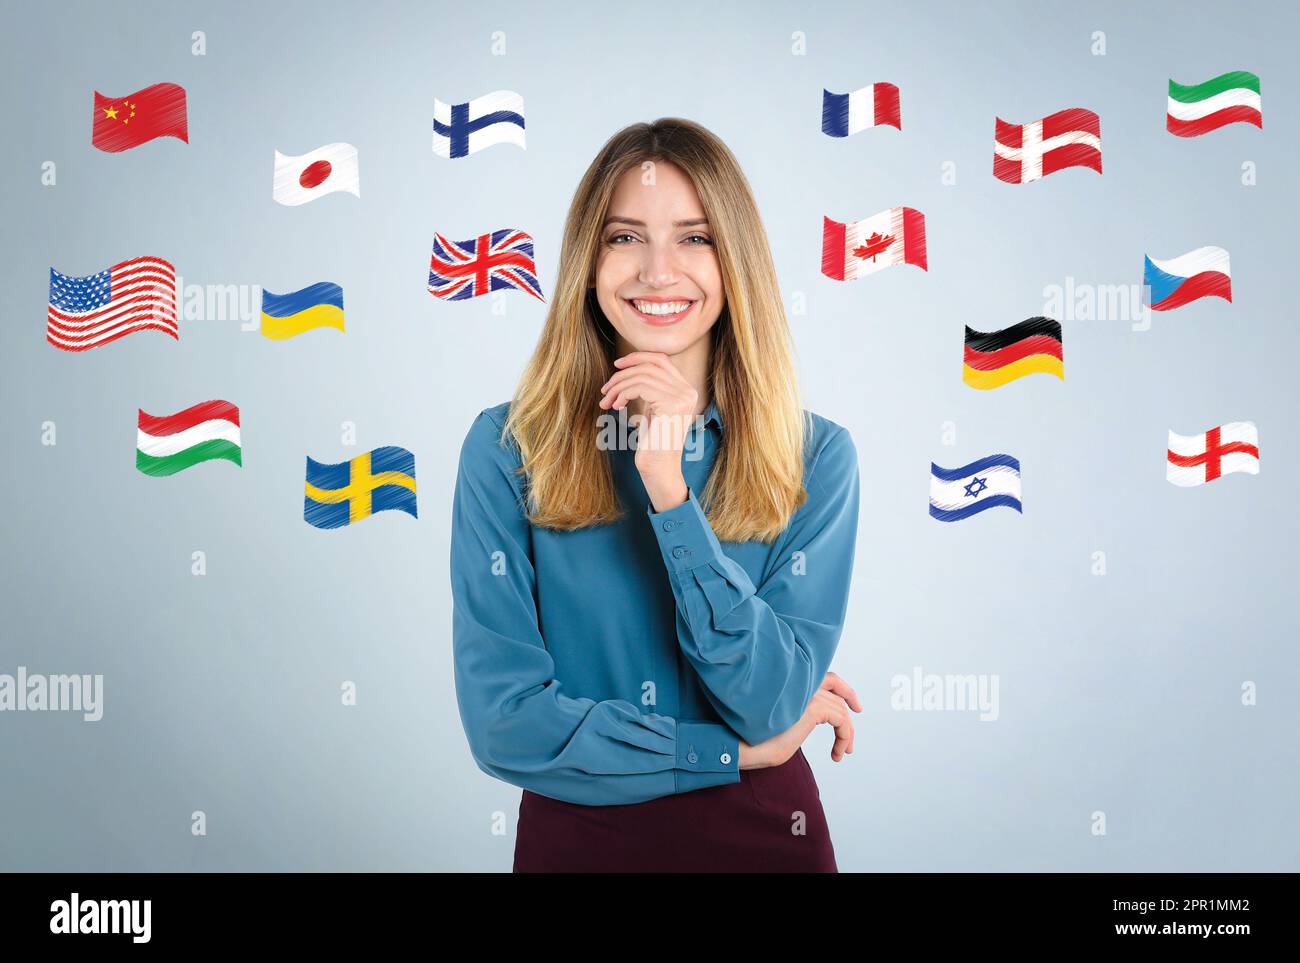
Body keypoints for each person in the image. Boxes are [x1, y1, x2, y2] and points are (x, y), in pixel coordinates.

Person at [449, 118, 862, 872]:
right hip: (577, 849)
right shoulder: (506, 450)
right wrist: (725, 752)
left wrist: (669, 490)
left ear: (734, 261)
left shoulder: (819, 458)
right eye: (625, 237)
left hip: (766, 842)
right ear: (588, 259)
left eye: (696, 238)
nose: (657, 271)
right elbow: (503, 723)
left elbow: (768, 702)